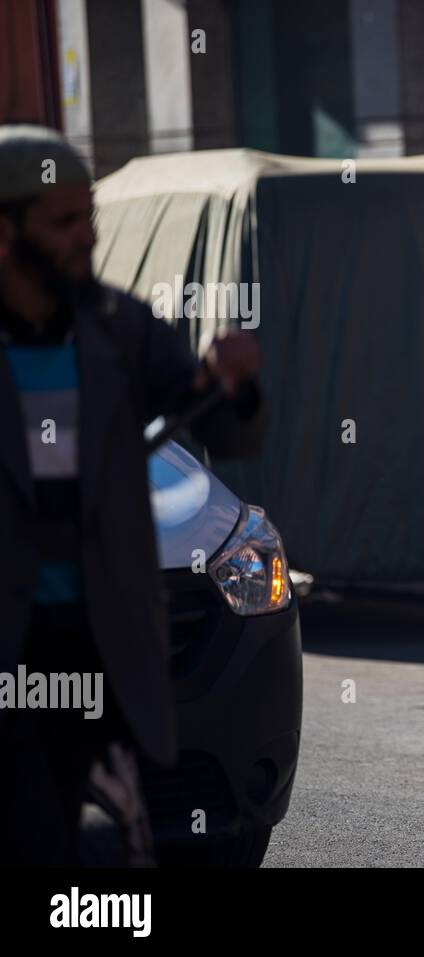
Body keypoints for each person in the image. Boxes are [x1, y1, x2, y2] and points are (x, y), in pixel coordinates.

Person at [0, 124, 268, 864]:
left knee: (112, 854)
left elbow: (223, 425)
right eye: (61, 221)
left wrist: (232, 384)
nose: (85, 235)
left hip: (104, 647)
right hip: (14, 655)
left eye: (88, 214)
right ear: (5, 230)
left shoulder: (118, 328)